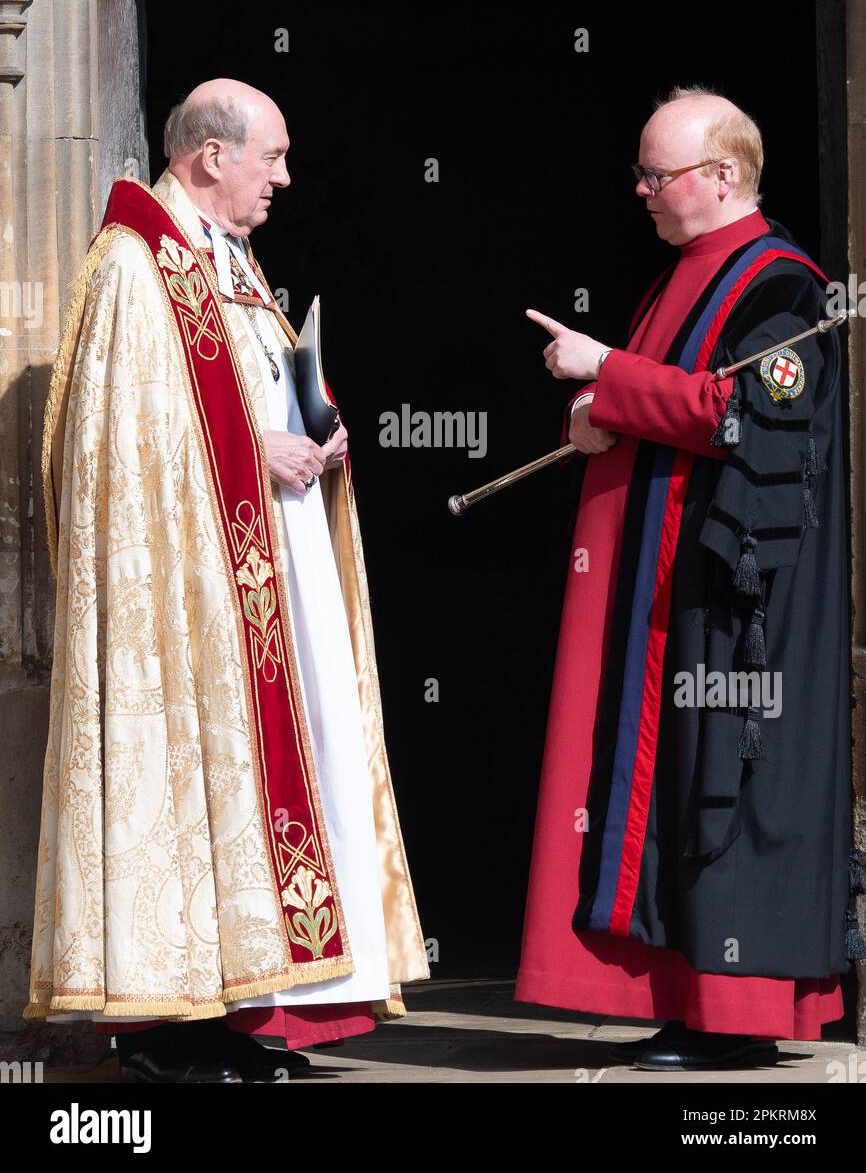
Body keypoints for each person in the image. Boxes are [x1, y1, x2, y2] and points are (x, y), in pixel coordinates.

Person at [25, 78, 428, 1082]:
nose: (284, 177)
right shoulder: (134, 266)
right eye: (271, 156)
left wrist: (316, 432)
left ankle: (253, 1016)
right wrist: (261, 456)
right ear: (209, 155)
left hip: (263, 589)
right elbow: (122, 454)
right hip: (186, 612)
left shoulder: (232, 268)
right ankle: (177, 1030)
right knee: (193, 798)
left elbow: (253, 401)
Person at [517, 86, 864, 1072]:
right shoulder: (682, 274)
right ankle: (686, 1003)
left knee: (727, 783)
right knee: (668, 787)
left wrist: (606, 371)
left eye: (655, 174)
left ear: (719, 177)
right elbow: (660, 407)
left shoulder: (780, 285)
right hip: (676, 589)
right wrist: (595, 408)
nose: (640, 190)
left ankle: (737, 1018)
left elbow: (743, 417)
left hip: (743, 598)